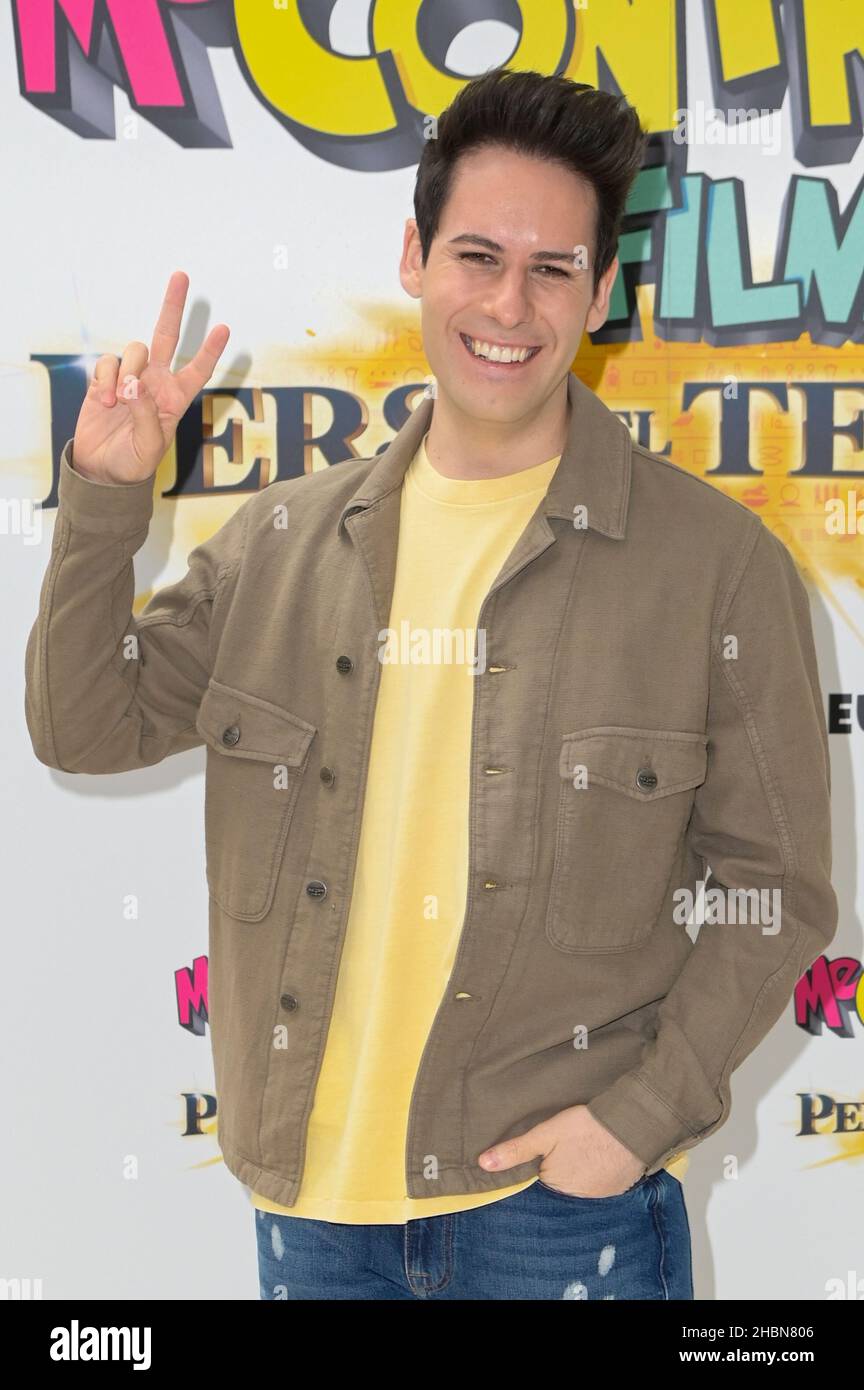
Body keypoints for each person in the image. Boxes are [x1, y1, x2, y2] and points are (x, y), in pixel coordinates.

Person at [25, 68, 837, 1301]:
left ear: (602, 290)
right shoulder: (281, 545)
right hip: (311, 1211)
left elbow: (775, 892)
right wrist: (104, 503)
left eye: (554, 267)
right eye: (477, 255)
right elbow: (80, 726)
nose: (511, 303)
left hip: (558, 1220)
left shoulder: (720, 572)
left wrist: (641, 1114)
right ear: (414, 255)